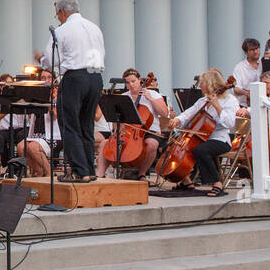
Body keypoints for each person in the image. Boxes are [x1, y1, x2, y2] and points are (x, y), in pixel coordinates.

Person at [41, 0, 105, 182]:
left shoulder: (62, 30)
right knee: (86, 124)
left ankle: (79, 171)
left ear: (62, 12)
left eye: (57, 15)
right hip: (95, 77)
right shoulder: (94, 28)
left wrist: (43, 61)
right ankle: (89, 170)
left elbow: (51, 58)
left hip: (75, 77)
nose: (58, 19)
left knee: (69, 124)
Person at [163, 68, 239, 196]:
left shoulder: (229, 100)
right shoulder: (202, 101)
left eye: (202, 83)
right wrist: (177, 119)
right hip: (201, 138)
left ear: (211, 84)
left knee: (201, 150)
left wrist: (217, 106)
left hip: (219, 139)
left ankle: (217, 183)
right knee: (170, 146)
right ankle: (186, 181)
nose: (200, 86)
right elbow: (189, 113)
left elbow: (230, 123)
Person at [96, 69, 169, 179]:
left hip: (149, 130)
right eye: (127, 82)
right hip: (127, 132)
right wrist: (120, 127)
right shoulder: (124, 96)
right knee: (104, 144)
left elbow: (164, 113)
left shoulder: (153, 94)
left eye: (133, 81)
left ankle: (142, 174)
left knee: (152, 144)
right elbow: (118, 118)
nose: (130, 85)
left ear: (140, 80)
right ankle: (99, 175)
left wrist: (150, 99)